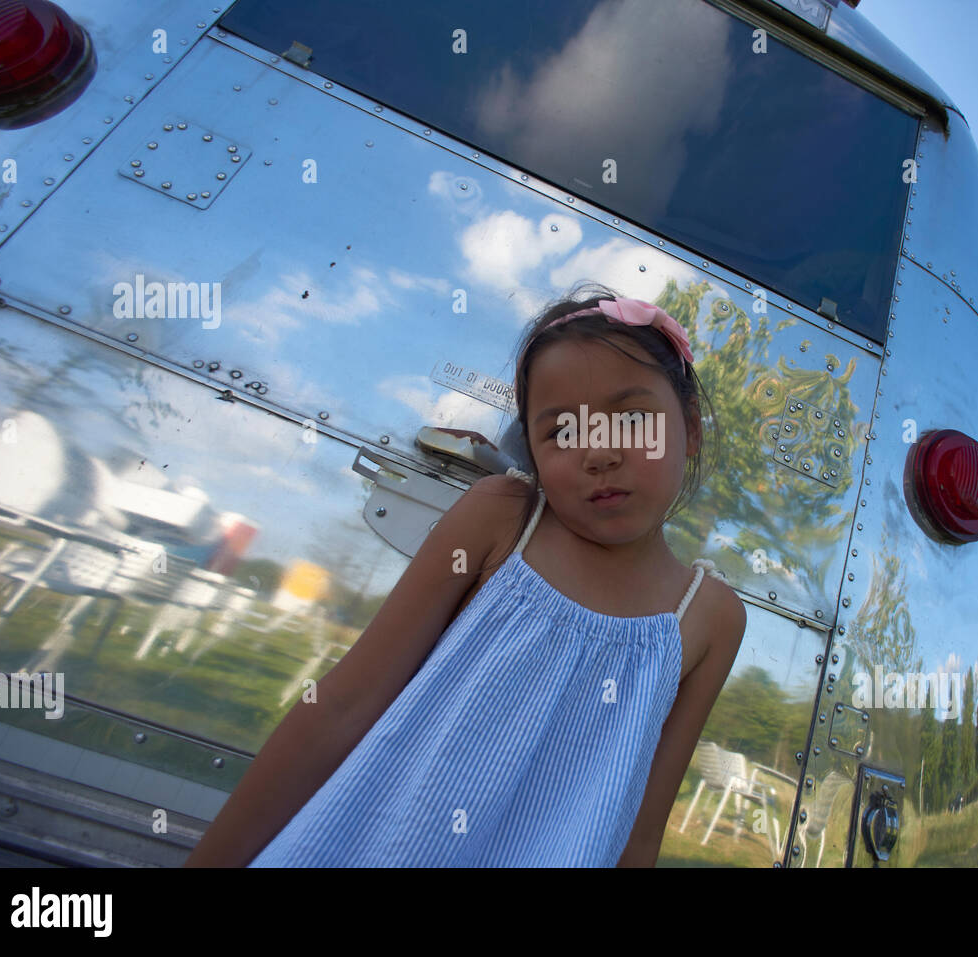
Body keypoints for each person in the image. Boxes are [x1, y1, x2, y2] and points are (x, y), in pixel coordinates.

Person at [183, 283, 747, 867]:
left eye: (631, 419)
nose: (598, 452)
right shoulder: (502, 519)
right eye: (562, 432)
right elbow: (339, 708)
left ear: (690, 428)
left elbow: (638, 834)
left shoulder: (709, 619)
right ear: (530, 448)